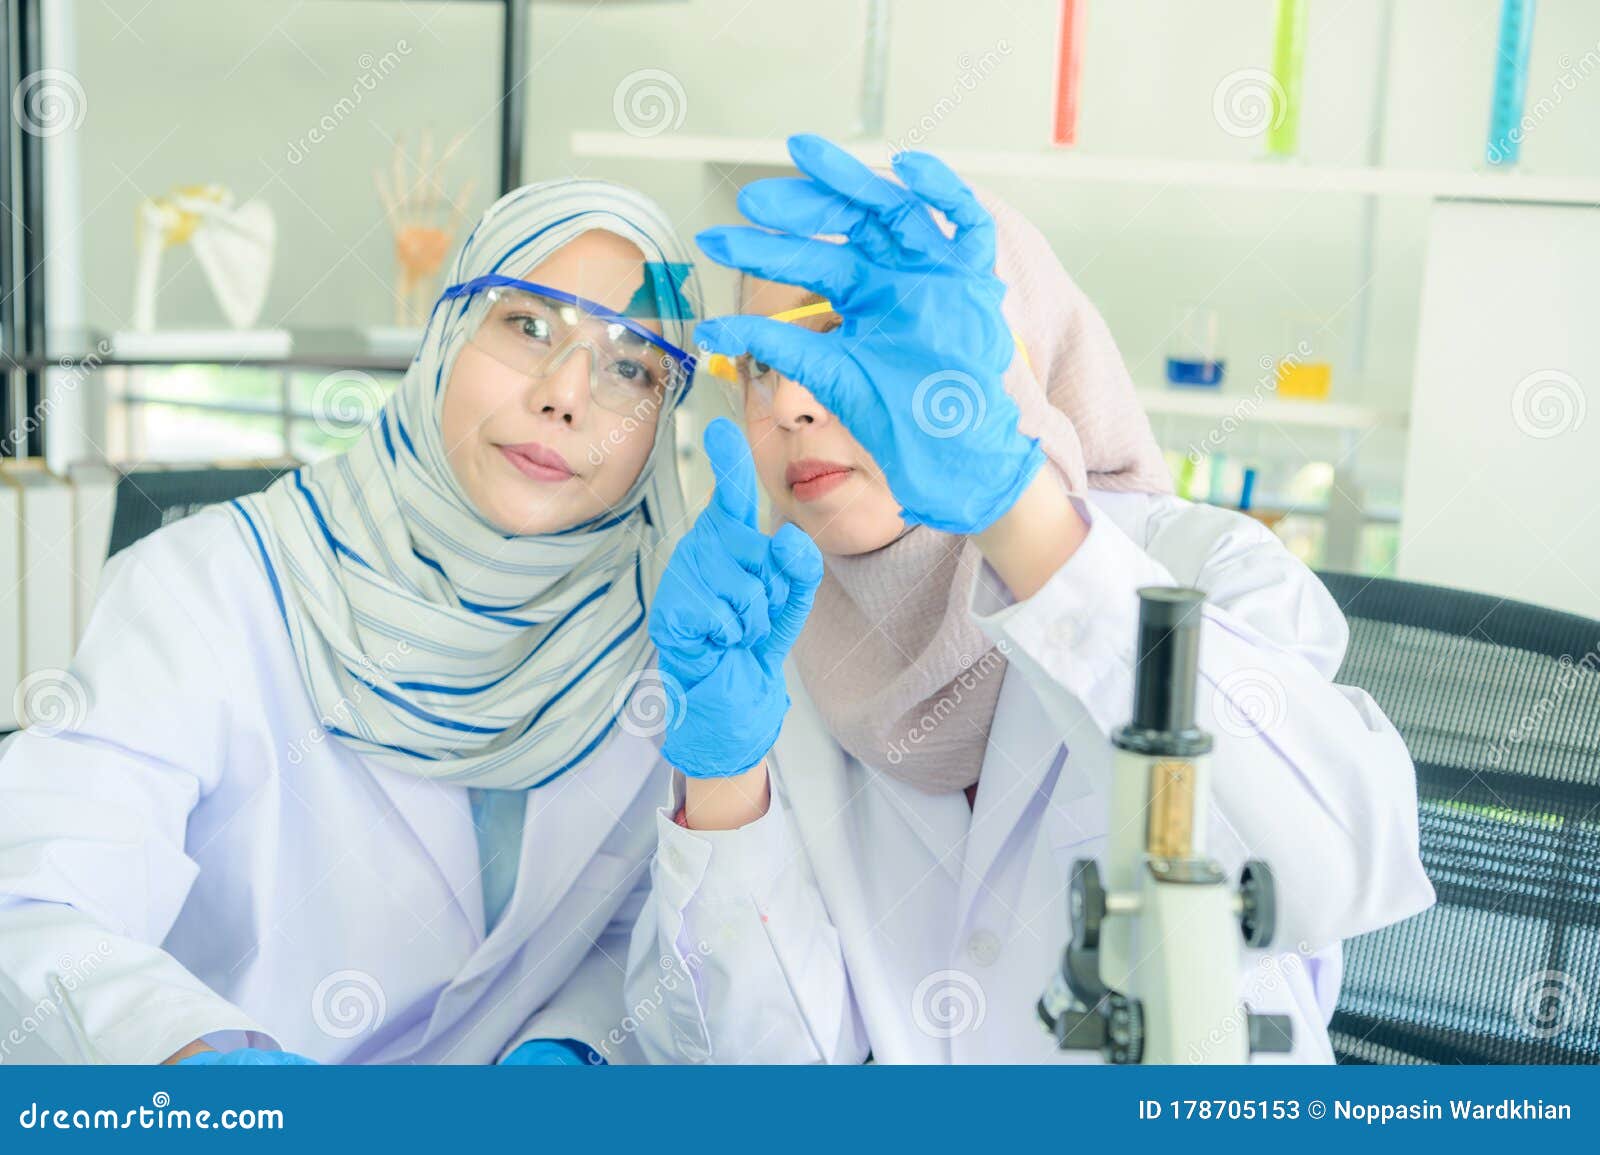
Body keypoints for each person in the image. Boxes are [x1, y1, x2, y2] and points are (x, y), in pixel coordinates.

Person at [626, 135, 1436, 1063]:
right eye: (763, 364)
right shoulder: (764, 642)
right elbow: (762, 1069)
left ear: (1000, 354)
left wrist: (1025, 521)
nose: (791, 406)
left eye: (847, 334)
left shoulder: (1199, 567)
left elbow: (1342, 873)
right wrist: (725, 787)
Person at [0, 179, 706, 1065]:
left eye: (632, 366)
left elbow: (633, 934)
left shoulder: (663, 652)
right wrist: (200, 1060)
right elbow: (38, 900)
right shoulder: (206, 588)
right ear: (445, 335)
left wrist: (576, 1046)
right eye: (528, 324)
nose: (566, 394)